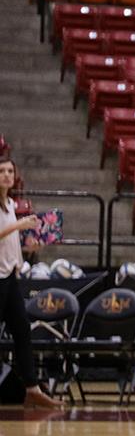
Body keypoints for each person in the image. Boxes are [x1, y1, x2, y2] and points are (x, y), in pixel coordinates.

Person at [0, 157, 62, 409]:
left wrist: (29, 247)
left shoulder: (10, 204)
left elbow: (8, 241)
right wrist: (20, 224)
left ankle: (32, 388)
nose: (6, 175)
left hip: (11, 277)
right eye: (2, 171)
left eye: (10, 171)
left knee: (23, 331)